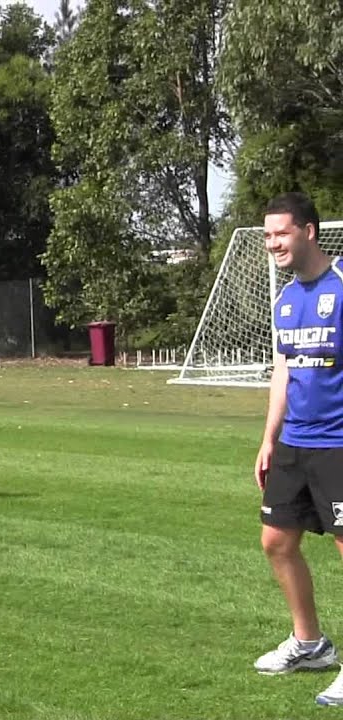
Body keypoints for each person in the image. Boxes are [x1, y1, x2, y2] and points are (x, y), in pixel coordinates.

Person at [253, 191, 343, 706]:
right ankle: (311, 643)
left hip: (339, 446)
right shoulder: (285, 300)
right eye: (267, 235)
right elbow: (283, 372)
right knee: (276, 541)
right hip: (294, 443)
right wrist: (269, 439)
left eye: (281, 233)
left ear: (309, 231)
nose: (273, 243)